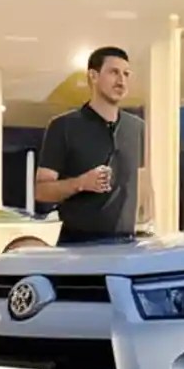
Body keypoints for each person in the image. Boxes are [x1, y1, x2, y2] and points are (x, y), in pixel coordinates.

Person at [34, 46, 153, 245]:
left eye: (126, 74)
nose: (121, 80)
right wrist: (81, 183)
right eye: (114, 72)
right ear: (93, 76)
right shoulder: (63, 126)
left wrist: (146, 225)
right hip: (78, 248)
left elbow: (143, 184)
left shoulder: (137, 128)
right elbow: (41, 191)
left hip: (128, 248)